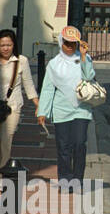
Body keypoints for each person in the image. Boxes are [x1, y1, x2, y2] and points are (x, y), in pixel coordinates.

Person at [37, 27, 96, 189]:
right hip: (61, 110)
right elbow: (48, 88)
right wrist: (42, 111)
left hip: (82, 109)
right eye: (67, 43)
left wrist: (83, 56)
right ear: (61, 43)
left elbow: (89, 76)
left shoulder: (85, 58)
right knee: (64, 147)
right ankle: (65, 181)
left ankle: (77, 180)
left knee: (79, 144)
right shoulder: (53, 64)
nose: (70, 46)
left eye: (73, 44)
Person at [0, 29, 37, 168]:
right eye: (2, 45)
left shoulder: (21, 61)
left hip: (12, 107)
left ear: (14, 45)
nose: (5, 48)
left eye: (8, 45)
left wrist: (38, 105)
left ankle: (2, 172)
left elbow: (29, 85)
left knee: (6, 140)